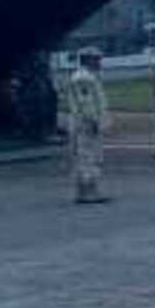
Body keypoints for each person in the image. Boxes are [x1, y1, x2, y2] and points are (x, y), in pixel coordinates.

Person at [66, 47, 110, 204]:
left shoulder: (88, 76)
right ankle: (88, 191)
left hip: (84, 121)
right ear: (87, 60)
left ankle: (83, 191)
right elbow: (86, 103)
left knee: (85, 155)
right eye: (96, 59)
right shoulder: (83, 78)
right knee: (88, 156)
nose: (99, 62)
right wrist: (93, 120)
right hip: (86, 122)